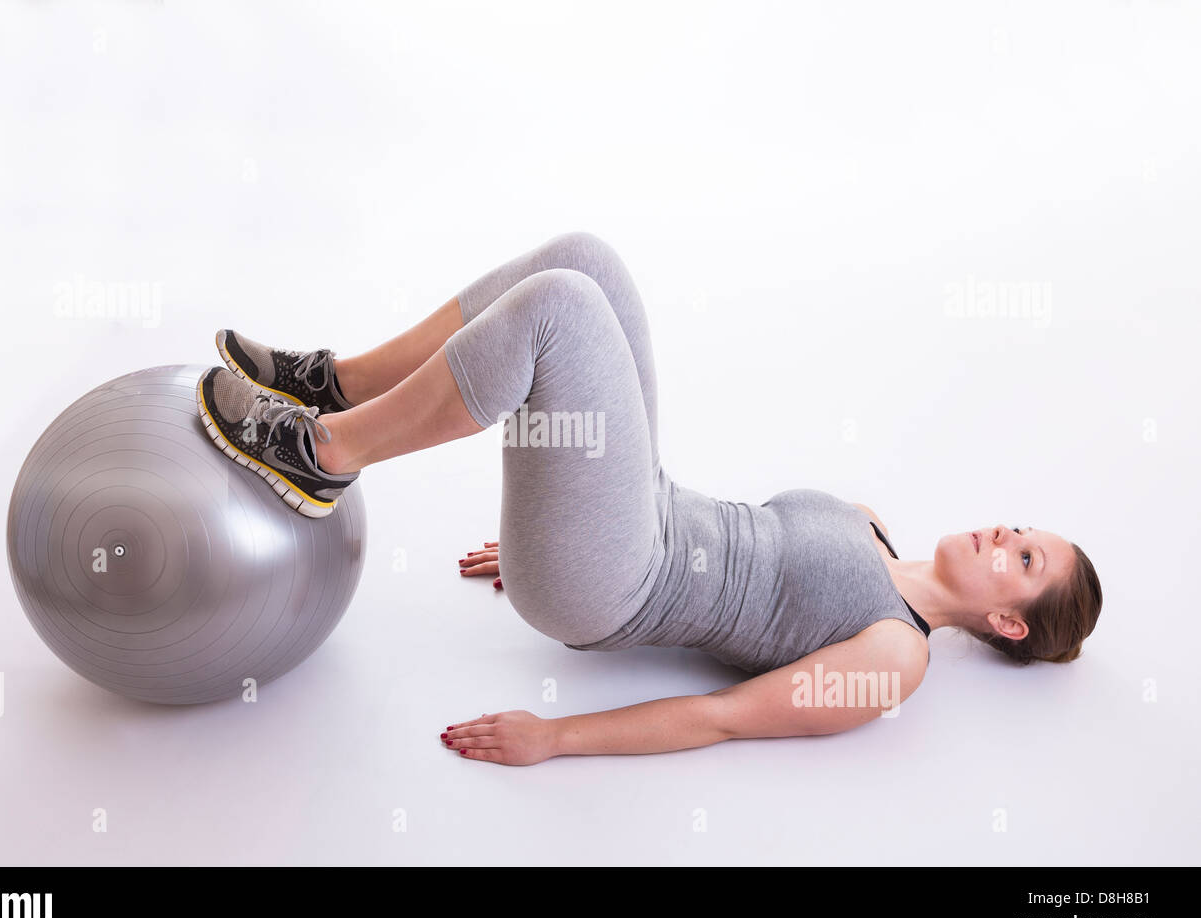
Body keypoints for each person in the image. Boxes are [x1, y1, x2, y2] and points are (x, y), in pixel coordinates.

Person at [195, 231, 1103, 766]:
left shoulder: (895, 658)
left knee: (561, 308)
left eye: (1024, 558)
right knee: (586, 261)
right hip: (635, 521)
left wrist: (556, 738)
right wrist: (557, 525)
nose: (1003, 533)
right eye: (1021, 529)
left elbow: (724, 718)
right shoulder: (870, 525)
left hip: (616, 588)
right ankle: (339, 384)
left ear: (1009, 622)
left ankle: (320, 452)